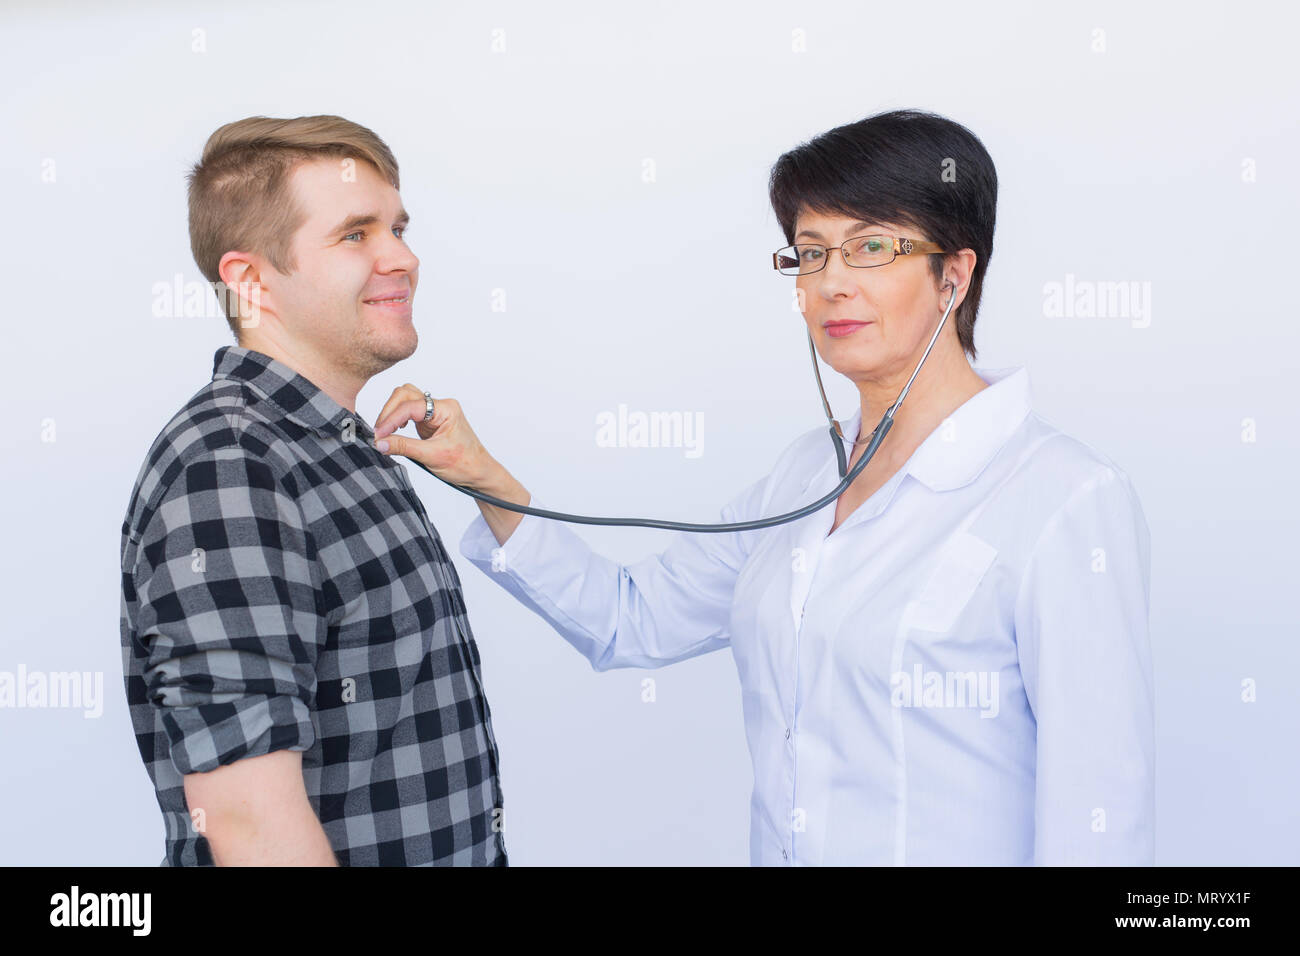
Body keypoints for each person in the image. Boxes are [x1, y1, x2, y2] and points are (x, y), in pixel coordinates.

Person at [372, 109, 1154, 866]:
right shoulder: (805, 476)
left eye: (871, 247)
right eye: (810, 253)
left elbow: (1098, 816)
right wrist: (488, 482)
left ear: (954, 273)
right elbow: (630, 622)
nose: (832, 284)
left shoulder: (1063, 498)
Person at [119, 115, 507, 866]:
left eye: (398, 227)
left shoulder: (337, 448)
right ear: (250, 280)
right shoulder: (228, 466)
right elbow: (252, 831)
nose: (404, 257)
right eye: (356, 234)